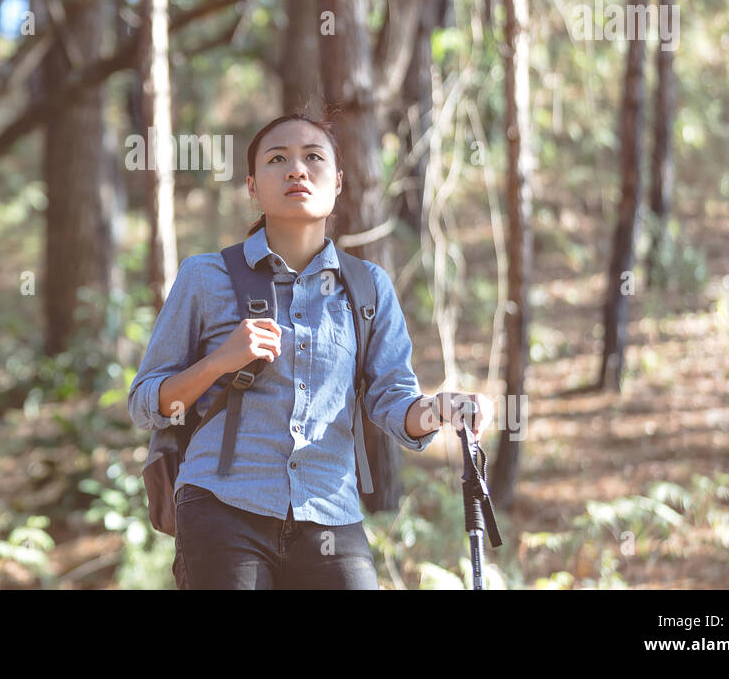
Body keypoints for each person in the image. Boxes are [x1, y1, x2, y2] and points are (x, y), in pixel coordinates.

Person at [128, 113, 493, 589]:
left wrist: (438, 409)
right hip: (222, 509)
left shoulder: (369, 287)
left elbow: (392, 402)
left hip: (330, 514)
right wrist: (221, 360)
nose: (296, 170)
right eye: (277, 159)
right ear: (253, 187)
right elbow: (146, 404)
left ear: (338, 183)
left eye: (313, 158)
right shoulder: (204, 277)